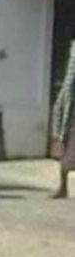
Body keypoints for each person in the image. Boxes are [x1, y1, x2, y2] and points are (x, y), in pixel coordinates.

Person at [51, 40, 75, 199]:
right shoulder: (69, 82)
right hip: (70, 115)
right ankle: (63, 187)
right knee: (65, 153)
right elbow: (69, 83)